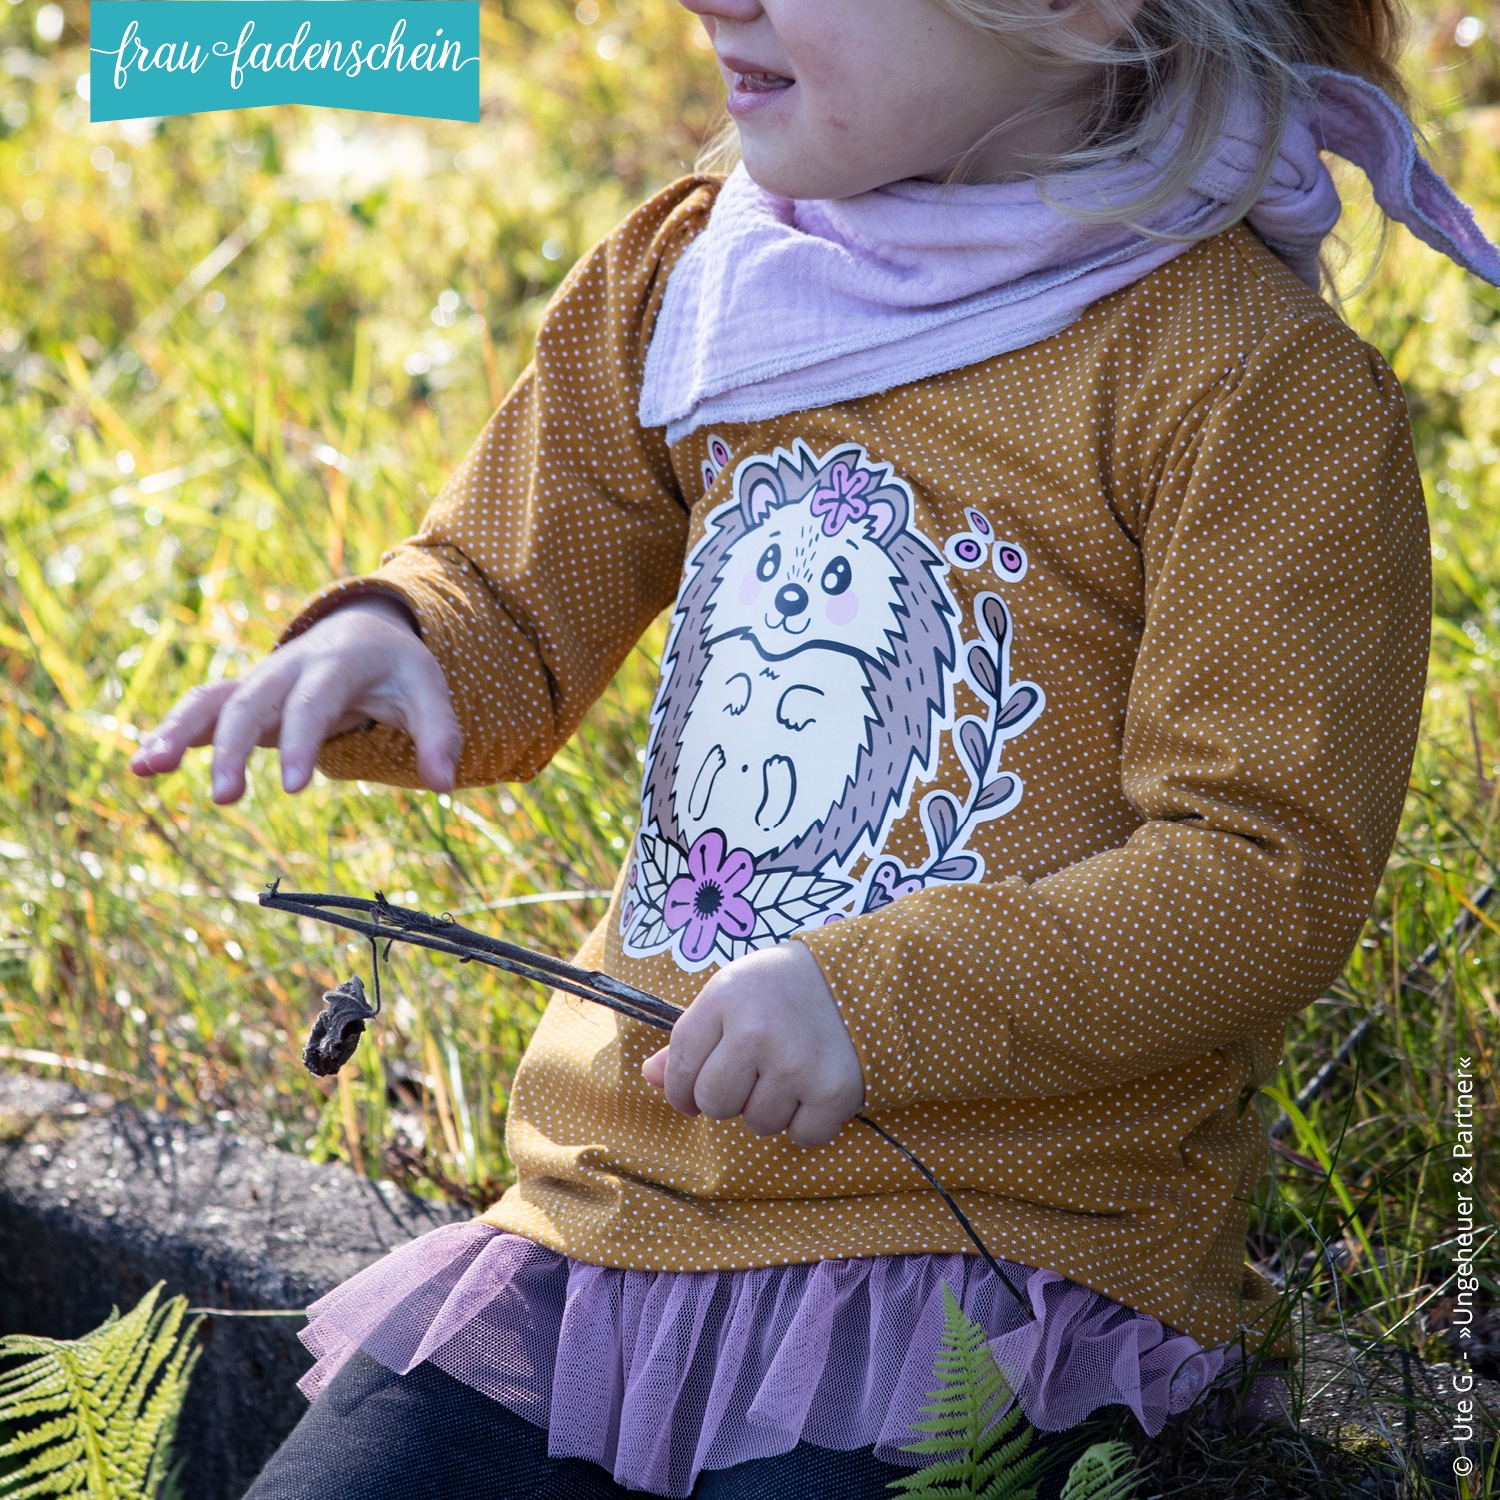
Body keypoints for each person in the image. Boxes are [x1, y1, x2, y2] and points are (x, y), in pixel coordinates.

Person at [133, 0, 1500, 1491]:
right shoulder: (704, 273)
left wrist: (880, 1001)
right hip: (600, 1232)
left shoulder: (1241, 382)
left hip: (988, 1265)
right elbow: (511, 601)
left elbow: (1261, 873)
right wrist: (400, 636)